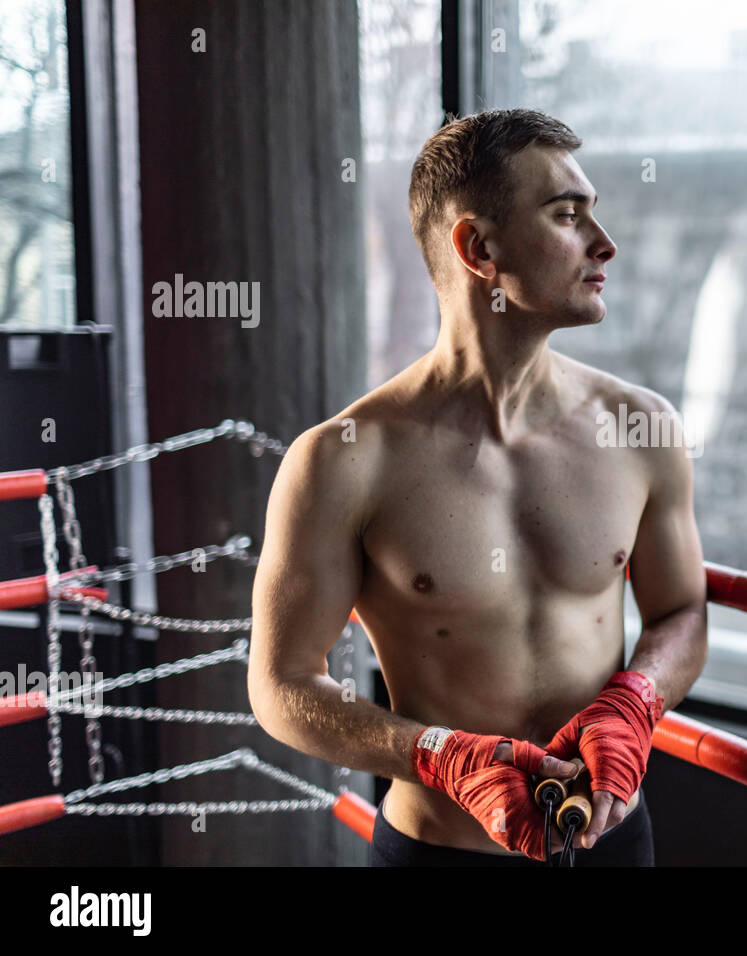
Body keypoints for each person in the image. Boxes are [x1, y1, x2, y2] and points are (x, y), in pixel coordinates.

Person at [247, 108, 708, 867]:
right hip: (438, 852)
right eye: (568, 215)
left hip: (613, 843)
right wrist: (439, 755)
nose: (605, 244)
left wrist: (636, 702)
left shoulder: (642, 428)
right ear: (478, 249)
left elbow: (681, 610)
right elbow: (283, 685)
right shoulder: (343, 461)